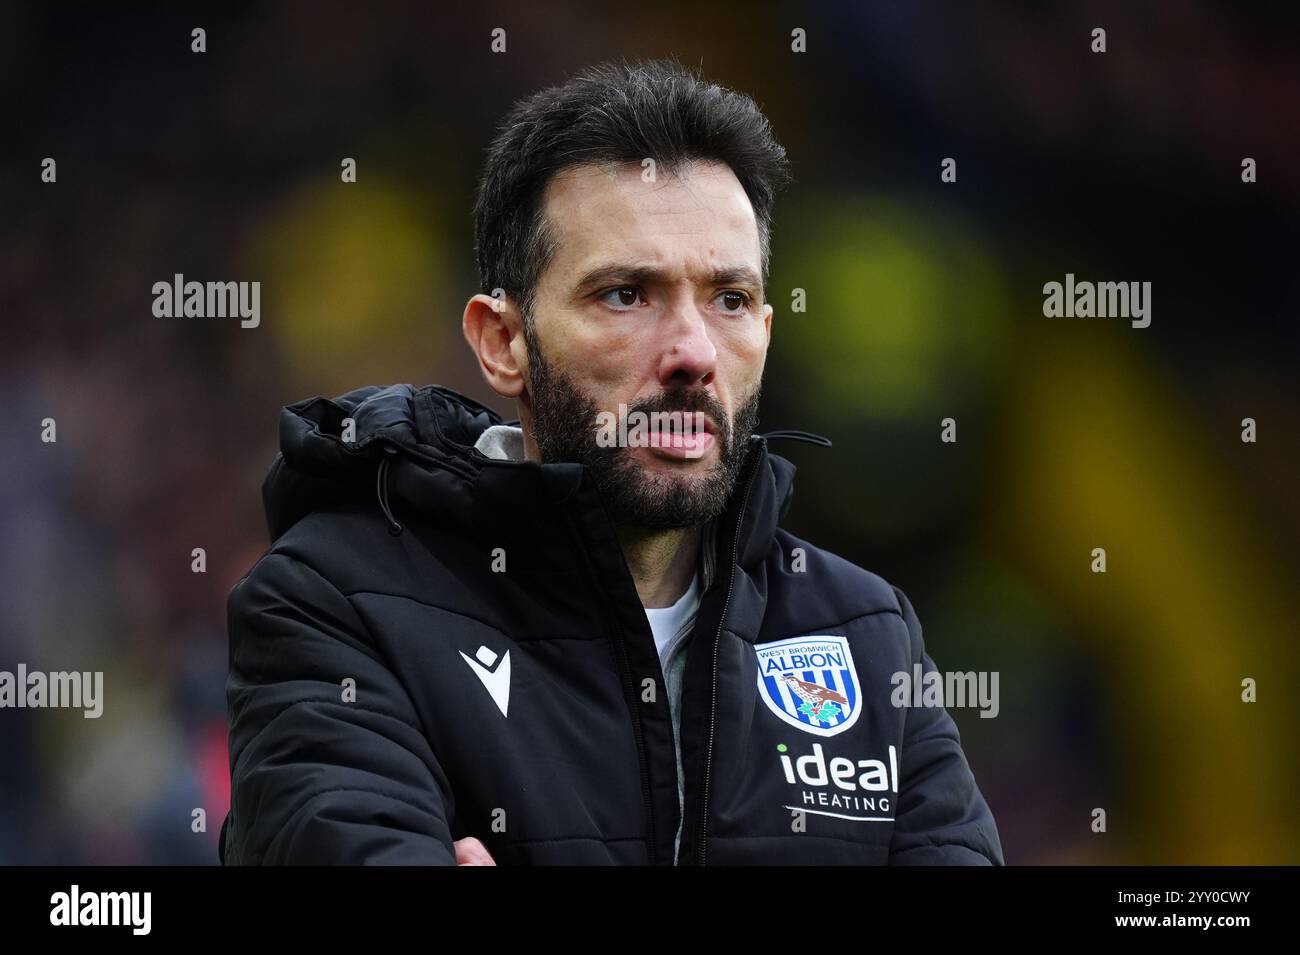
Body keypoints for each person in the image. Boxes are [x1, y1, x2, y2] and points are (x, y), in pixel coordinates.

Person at [220, 57, 1003, 865]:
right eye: (626, 293)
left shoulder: (867, 635)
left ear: (766, 331)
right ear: (503, 342)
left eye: (729, 300)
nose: (693, 353)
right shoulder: (333, 604)